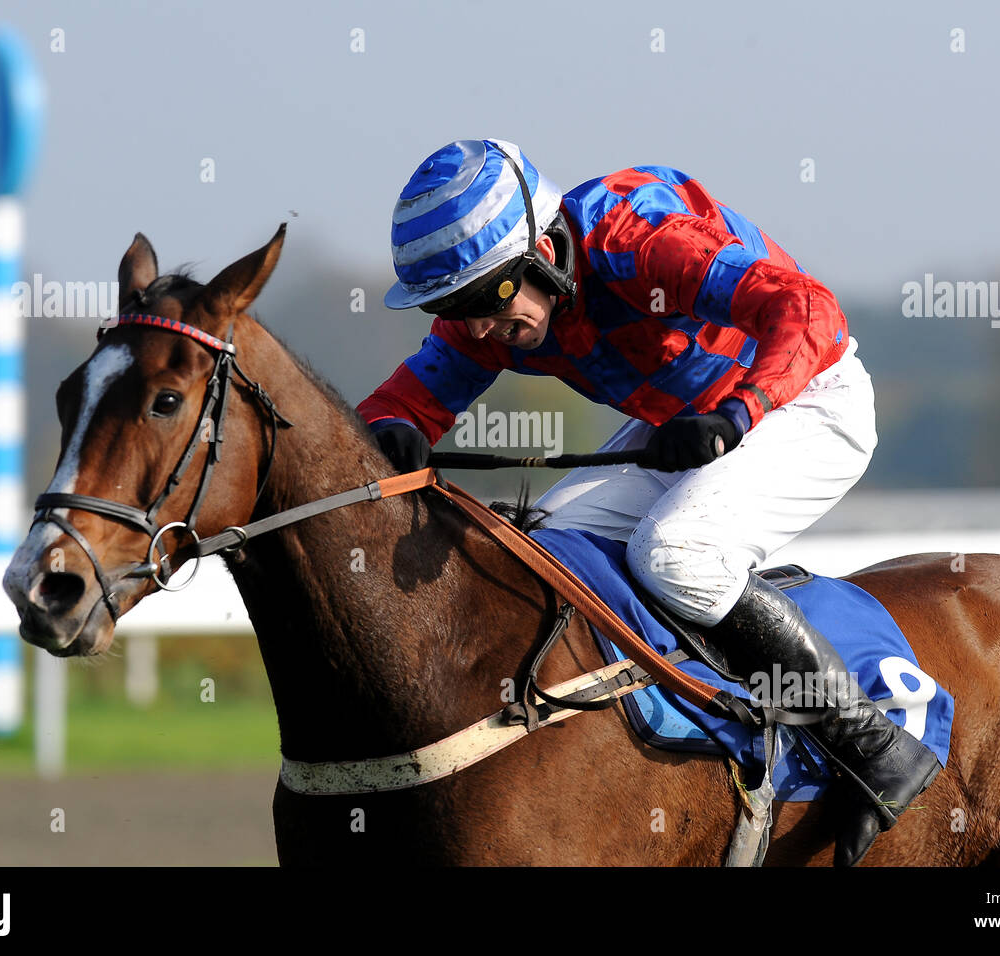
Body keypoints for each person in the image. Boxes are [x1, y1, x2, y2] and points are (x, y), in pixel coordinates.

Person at [356, 138, 940, 866]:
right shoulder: (502, 304)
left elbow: (810, 309)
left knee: (676, 552)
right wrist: (392, 429)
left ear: (542, 249)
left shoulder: (639, 241)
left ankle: (873, 746)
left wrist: (738, 412)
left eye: (481, 299)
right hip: (685, 424)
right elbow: (407, 396)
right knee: (548, 557)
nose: (473, 326)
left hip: (805, 398)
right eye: (450, 306)